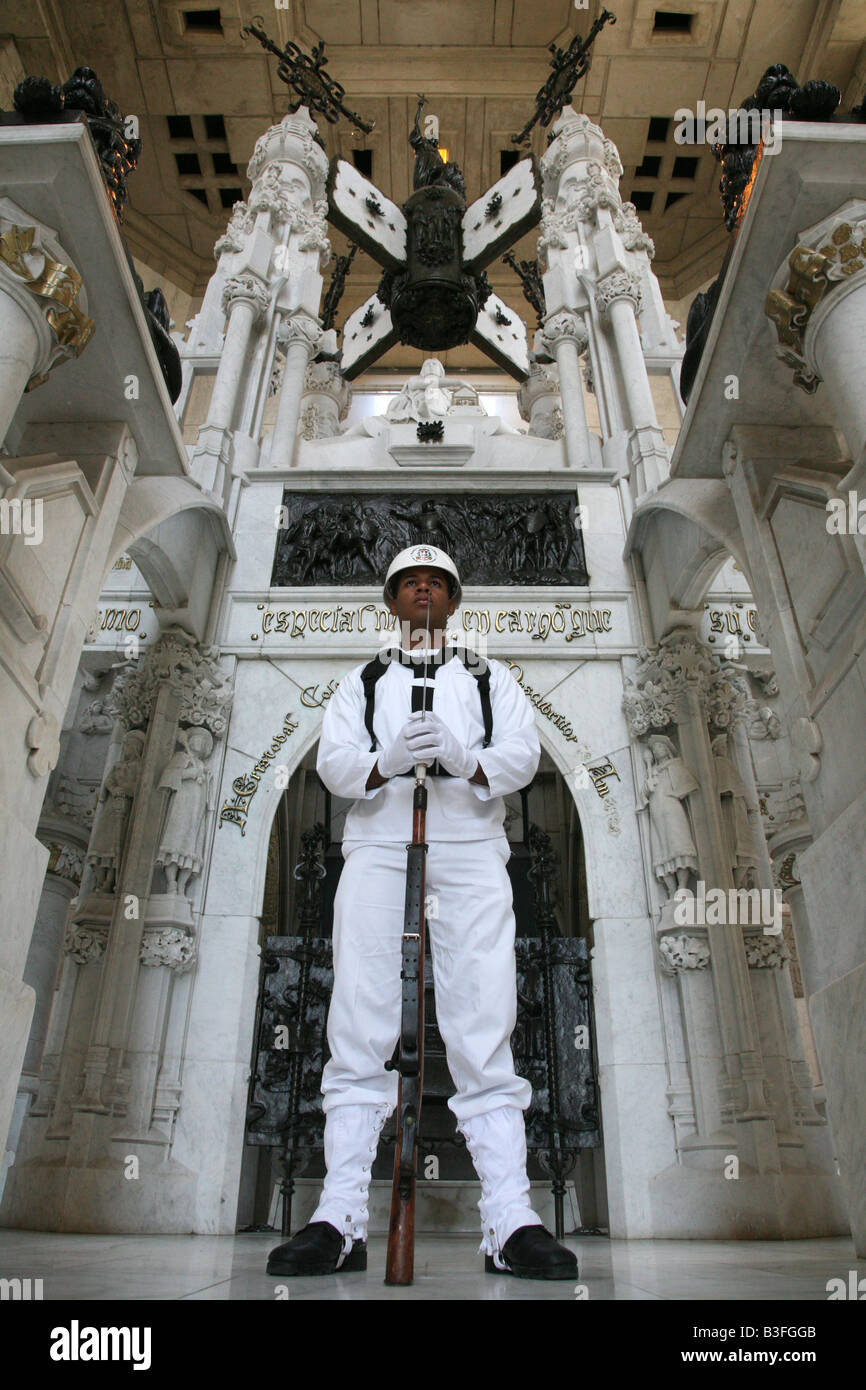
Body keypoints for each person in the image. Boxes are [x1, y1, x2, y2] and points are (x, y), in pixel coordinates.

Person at [267, 543, 578, 1281]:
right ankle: (339, 1217)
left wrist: (464, 758)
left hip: (469, 846)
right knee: (360, 1016)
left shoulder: (489, 675)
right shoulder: (363, 680)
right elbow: (336, 763)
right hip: (379, 843)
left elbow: (522, 758)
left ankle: (509, 1219)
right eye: (411, 583)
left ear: (454, 598)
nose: (425, 592)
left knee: (481, 1019)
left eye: (437, 582)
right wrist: (386, 759)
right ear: (393, 600)